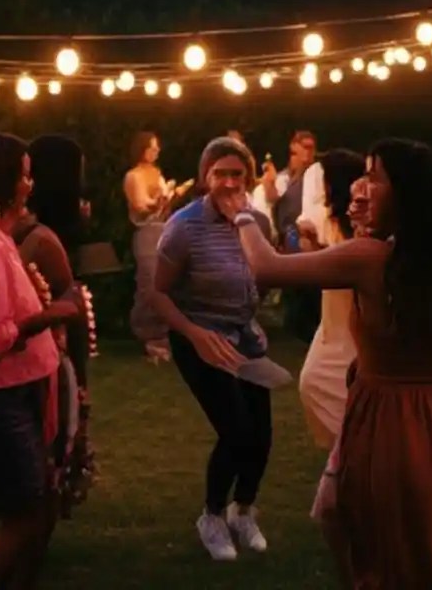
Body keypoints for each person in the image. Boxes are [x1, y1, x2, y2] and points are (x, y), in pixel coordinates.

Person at [223, 138, 432, 588]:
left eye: (374, 177)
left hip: (393, 419)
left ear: (404, 192)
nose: (361, 186)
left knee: (389, 551)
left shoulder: (371, 259)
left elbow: (266, 267)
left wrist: (242, 213)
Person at [0, 132, 80, 590]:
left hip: (23, 387)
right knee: (24, 515)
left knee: (41, 505)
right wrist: (49, 316)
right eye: (23, 175)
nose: (30, 184)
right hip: (1, 398)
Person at [150, 137, 275, 562]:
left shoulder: (256, 222)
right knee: (236, 432)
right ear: (205, 177)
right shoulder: (184, 227)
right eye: (220, 174)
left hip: (247, 338)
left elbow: (265, 275)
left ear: (249, 178)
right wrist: (193, 332)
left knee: (262, 435)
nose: (229, 183)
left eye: (237, 174)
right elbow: (158, 293)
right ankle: (213, 516)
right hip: (200, 340)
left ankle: (244, 510)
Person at [15, 135, 97, 516]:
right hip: (51, 336)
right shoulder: (42, 236)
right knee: (63, 406)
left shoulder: (32, 226)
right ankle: (57, 481)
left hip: (45, 334)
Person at [296, 150, 367, 448]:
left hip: (352, 317)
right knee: (314, 380)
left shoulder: (359, 225)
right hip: (334, 316)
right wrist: (313, 243)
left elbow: (338, 265)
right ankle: (351, 447)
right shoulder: (332, 221)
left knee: (332, 382)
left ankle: (357, 446)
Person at [124, 131, 191, 363]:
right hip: (147, 231)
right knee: (149, 282)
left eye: (157, 148)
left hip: (164, 229)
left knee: (166, 282)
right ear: (142, 149)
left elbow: (164, 206)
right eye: (152, 148)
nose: (156, 151)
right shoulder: (133, 176)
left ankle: (164, 335)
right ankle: (148, 334)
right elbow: (140, 206)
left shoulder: (157, 173)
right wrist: (158, 200)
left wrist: (172, 196)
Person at [262, 130, 322, 342]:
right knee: (294, 287)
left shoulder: (317, 174)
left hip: (307, 235)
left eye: (311, 148)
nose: (308, 153)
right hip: (288, 236)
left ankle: (308, 330)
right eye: (303, 148)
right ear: (292, 149)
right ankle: (297, 329)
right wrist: (269, 182)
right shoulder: (284, 177)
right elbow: (273, 200)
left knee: (307, 285)